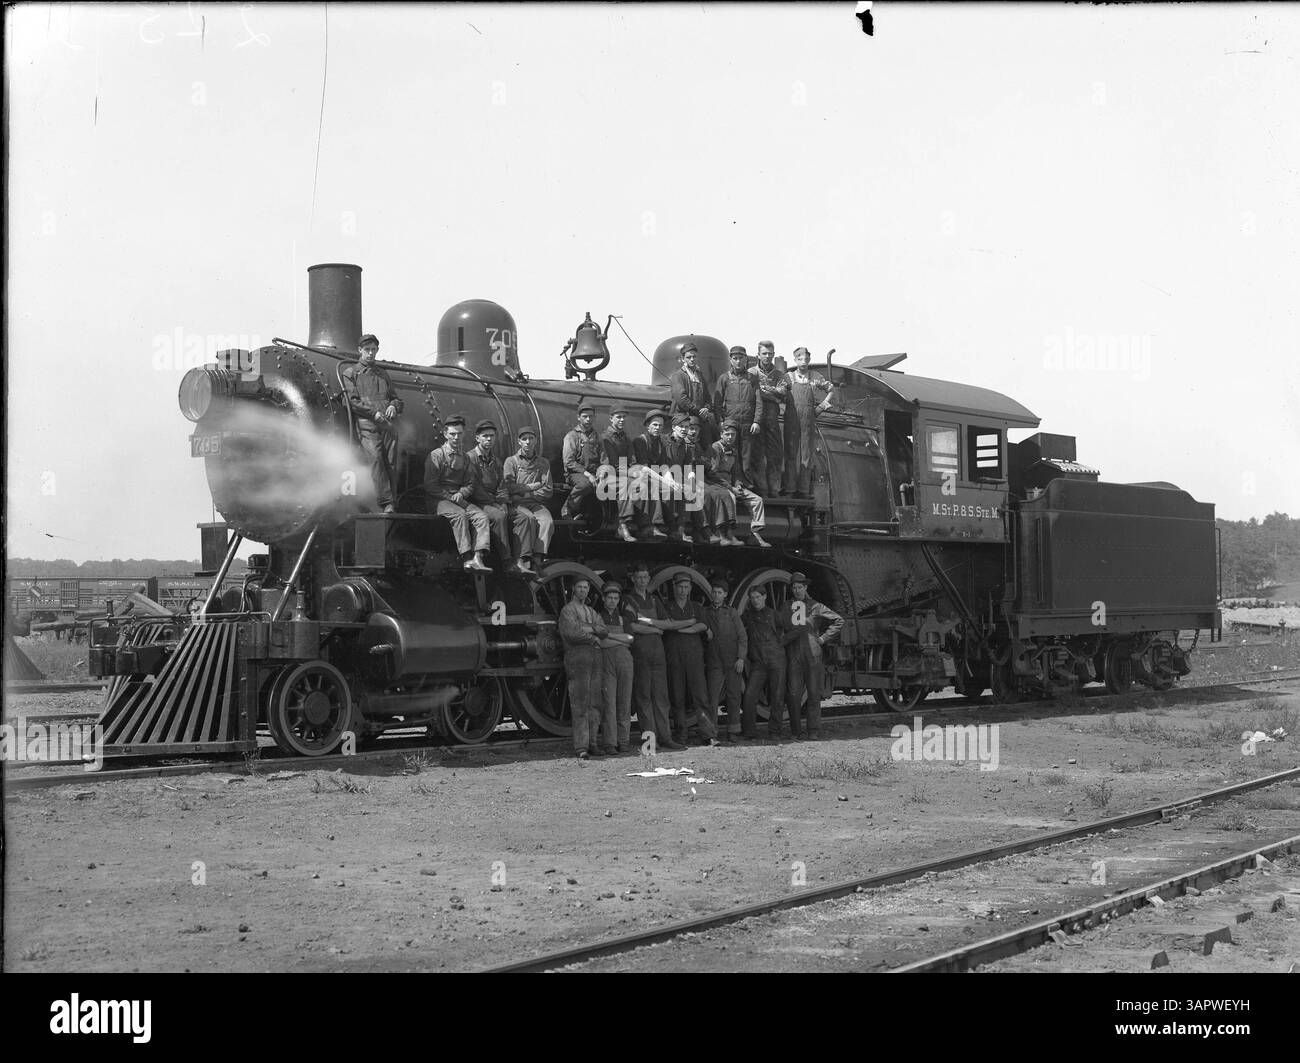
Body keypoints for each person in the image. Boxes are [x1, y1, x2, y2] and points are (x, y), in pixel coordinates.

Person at [624, 560, 686, 751]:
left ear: (649, 578)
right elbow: (631, 626)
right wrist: (655, 628)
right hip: (641, 652)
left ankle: (666, 737)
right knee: (644, 698)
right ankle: (650, 741)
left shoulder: (654, 600)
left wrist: (649, 625)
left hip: (658, 653)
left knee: (661, 697)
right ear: (633, 579)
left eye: (645, 577)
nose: (642, 581)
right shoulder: (628, 600)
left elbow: (668, 624)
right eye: (639, 577)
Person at [340, 333, 403, 512]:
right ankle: (386, 502)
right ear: (360, 350)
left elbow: (396, 399)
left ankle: (393, 501)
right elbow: (351, 401)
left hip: (387, 425)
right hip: (367, 424)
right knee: (376, 459)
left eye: (373, 350)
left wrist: (393, 406)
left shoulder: (382, 374)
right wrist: (373, 414)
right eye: (367, 350)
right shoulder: (351, 373)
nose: (370, 353)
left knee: (391, 462)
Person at [778, 571, 843, 740]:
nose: (797, 590)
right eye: (794, 587)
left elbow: (838, 620)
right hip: (794, 654)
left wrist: (823, 638)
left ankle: (813, 730)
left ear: (805, 587)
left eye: (800, 587)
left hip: (813, 654)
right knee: (793, 694)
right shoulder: (787, 606)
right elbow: (782, 624)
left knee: (814, 693)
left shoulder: (816, 606)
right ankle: (795, 731)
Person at [467, 420, 536, 575]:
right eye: (485, 436)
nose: (489, 439)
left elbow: (502, 485)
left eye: (492, 436)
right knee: (498, 516)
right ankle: (506, 561)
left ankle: (521, 561)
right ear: (477, 438)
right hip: (478, 502)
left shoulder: (496, 461)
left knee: (524, 517)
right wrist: (495, 503)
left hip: (496, 502)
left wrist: (503, 502)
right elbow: (474, 488)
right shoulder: (470, 459)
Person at [424, 414, 491, 571]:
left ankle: (478, 558)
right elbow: (430, 486)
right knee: (459, 515)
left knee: (482, 516)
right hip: (438, 500)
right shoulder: (436, 455)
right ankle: (466, 556)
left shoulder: (466, 458)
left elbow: (470, 483)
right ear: (446, 434)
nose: (456, 437)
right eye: (453, 434)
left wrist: (462, 494)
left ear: (464, 434)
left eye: (459, 434)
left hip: (458, 498)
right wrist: (450, 497)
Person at [558, 577, 615, 759]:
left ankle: (593, 743)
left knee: (595, 702)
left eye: (586, 588)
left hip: (595, 656)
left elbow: (604, 630)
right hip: (578, 655)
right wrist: (593, 635)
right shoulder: (567, 610)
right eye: (580, 587)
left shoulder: (591, 611)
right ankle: (581, 746)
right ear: (573, 589)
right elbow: (572, 633)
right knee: (580, 702)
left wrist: (587, 628)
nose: (583, 591)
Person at [663, 573, 719, 746]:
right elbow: (669, 624)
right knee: (677, 697)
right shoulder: (667, 606)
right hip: (674, 655)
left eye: (686, 587)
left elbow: (702, 625)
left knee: (700, 696)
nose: (683, 590)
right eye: (680, 586)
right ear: (674, 587)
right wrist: (690, 624)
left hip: (694, 656)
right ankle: (681, 735)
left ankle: (708, 734)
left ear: (690, 589)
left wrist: (682, 628)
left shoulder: (696, 606)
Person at [706, 420, 772, 547]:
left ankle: (755, 534)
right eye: (727, 434)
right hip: (718, 483)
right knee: (731, 497)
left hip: (732, 484)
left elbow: (736, 471)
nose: (730, 437)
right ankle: (729, 533)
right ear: (721, 434)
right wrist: (731, 488)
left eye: (733, 435)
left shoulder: (734, 450)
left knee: (757, 500)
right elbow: (712, 473)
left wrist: (738, 485)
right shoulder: (716, 447)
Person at [782, 346, 834, 498]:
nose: (803, 362)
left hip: (808, 420)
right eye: (800, 359)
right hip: (791, 419)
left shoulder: (815, 376)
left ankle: (804, 490)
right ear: (795, 360)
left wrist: (821, 407)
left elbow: (831, 390)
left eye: (806, 359)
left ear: (809, 359)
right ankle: (790, 489)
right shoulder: (788, 377)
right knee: (791, 454)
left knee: (807, 455)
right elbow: (780, 393)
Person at [501, 426, 554, 569]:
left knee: (547, 521)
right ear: (519, 441)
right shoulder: (511, 461)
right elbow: (509, 486)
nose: (527, 442)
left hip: (535, 502)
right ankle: (525, 557)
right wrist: (531, 487)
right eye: (524, 439)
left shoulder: (543, 463)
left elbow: (548, 489)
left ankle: (538, 556)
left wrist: (528, 494)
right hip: (516, 503)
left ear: (536, 440)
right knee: (528, 518)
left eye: (531, 438)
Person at [704, 576, 748, 742]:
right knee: (712, 698)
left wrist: (741, 658)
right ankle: (711, 733)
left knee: (734, 697)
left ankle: (733, 731)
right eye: (714, 592)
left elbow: (742, 636)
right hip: (714, 661)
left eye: (719, 592)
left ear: (725, 595)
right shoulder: (706, 612)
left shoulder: (732, 613)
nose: (716, 595)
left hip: (732, 661)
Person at [742, 584, 785, 741]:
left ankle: (775, 732)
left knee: (777, 697)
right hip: (759, 663)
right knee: (749, 696)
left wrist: (781, 645)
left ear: (765, 597)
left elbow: (788, 629)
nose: (755, 601)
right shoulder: (747, 616)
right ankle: (749, 732)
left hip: (776, 661)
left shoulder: (775, 615)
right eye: (752, 598)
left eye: (758, 597)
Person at [597, 581, 637, 754]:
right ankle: (610, 743)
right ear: (603, 599)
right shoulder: (597, 617)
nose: (612, 601)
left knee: (624, 702)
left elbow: (631, 639)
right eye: (609, 598)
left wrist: (611, 636)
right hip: (607, 662)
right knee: (609, 703)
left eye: (615, 598)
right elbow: (601, 642)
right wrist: (620, 638)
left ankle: (624, 741)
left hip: (625, 661)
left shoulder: (624, 618)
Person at [713, 345, 762, 479]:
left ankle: (747, 486)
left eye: (741, 358)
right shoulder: (724, 378)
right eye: (735, 358)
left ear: (746, 359)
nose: (738, 361)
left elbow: (759, 402)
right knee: (730, 455)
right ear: (730, 360)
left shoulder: (752, 379)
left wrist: (757, 421)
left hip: (747, 424)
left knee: (746, 457)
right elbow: (717, 403)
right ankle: (733, 483)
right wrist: (720, 421)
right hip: (730, 424)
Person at [749, 340, 787, 496]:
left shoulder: (779, 374)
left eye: (770, 354)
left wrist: (766, 390)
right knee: (757, 454)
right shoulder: (751, 372)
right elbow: (753, 393)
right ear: (758, 354)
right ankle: (761, 488)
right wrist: (774, 394)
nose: (767, 356)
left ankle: (774, 489)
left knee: (774, 454)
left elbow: (783, 392)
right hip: (756, 416)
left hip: (772, 418)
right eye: (764, 353)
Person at [599, 406, 640, 543]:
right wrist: (629, 473)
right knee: (625, 483)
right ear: (611, 418)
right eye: (618, 417)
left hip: (623, 472)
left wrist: (635, 471)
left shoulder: (626, 439)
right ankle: (623, 525)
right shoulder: (605, 438)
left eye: (624, 417)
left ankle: (647, 524)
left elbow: (632, 459)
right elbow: (612, 463)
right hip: (609, 474)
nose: (622, 420)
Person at [561, 399, 603, 529]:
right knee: (586, 484)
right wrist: (587, 474)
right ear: (579, 418)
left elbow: (603, 457)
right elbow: (569, 461)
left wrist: (602, 473)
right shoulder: (572, 436)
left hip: (594, 472)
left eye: (591, 416)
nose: (588, 419)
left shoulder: (597, 437)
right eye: (585, 417)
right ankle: (567, 508)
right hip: (576, 473)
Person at [669, 342, 717, 449]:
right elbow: (681, 399)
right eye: (688, 357)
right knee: (687, 447)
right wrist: (699, 411)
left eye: (694, 356)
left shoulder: (699, 375)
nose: (692, 359)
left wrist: (706, 408)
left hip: (699, 417)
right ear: (683, 359)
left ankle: (702, 465)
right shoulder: (678, 376)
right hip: (683, 418)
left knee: (705, 445)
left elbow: (708, 397)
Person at [631, 410, 670, 539]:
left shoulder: (661, 442)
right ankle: (650, 525)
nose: (658, 428)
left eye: (660, 426)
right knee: (651, 485)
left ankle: (671, 525)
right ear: (647, 425)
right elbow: (644, 467)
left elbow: (664, 465)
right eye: (655, 425)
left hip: (654, 475)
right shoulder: (640, 441)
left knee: (672, 488)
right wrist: (661, 479)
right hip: (641, 474)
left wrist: (669, 479)